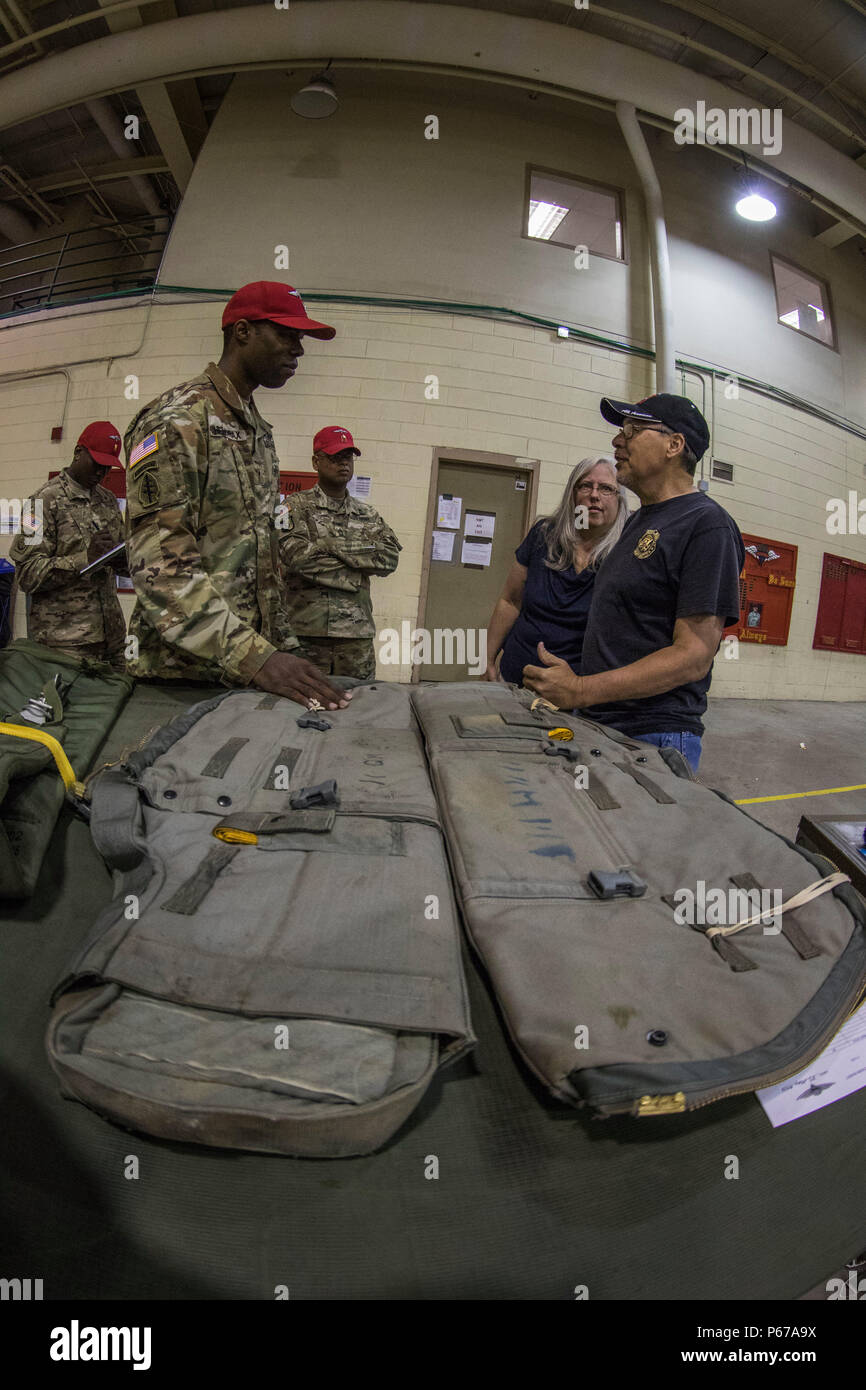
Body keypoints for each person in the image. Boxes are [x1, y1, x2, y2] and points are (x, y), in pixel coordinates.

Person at [123, 282, 349, 710]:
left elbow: (260, 559)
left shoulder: (256, 431)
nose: (298, 350)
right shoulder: (176, 422)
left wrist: (283, 649)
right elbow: (162, 571)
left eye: (301, 339)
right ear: (242, 331)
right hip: (181, 678)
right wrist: (258, 659)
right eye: (286, 334)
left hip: (242, 673)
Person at [523, 393, 744, 772]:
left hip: (652, 737)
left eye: (633, 429)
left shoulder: (706, 525)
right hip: (602, 723)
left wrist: (579, 688)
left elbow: (693, 656)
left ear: (674, 445)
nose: (617, 441)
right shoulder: (639, 522)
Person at [482, 456, 627, 684]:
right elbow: (510, 601)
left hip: (578, 692)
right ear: (572, 494)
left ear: (620, 500)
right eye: (586, 485)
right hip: (515, 676)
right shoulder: (544, 535)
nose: (594, 495)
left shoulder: (626, 552)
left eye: (607, 488)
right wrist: (487, 660)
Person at [279, 426, 401, 679]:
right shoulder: (290, 508)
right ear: (316, 461)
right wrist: (357, 572)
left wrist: (330, 547)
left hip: (356, 637)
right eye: (335, 457)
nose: (343, 464)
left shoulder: (369, 515)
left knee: (359, 708)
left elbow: (389, 558)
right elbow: (298, 558)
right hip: (304, 634)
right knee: (297, 709)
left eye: (348, 457)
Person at [10, 422, 128, 671]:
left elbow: (120, 553)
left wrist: (123, 561)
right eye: (97, 463)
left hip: (113, 637)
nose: (102, 472)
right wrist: (85, 558)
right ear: (78, 452)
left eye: (108, 466)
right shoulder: (41, 503)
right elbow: (28, 575)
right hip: (66, 644)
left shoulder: (107, 500)